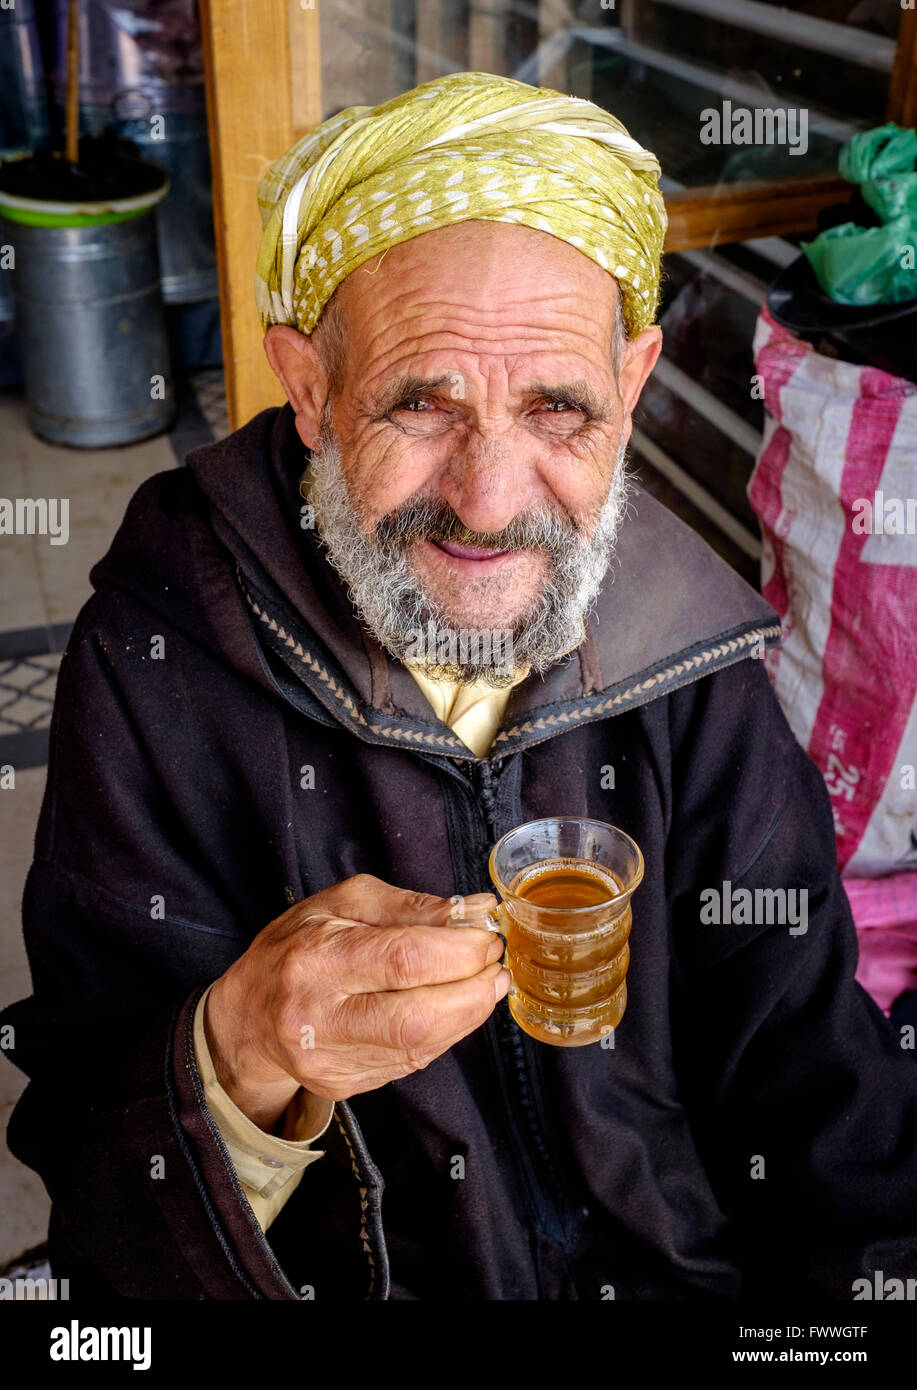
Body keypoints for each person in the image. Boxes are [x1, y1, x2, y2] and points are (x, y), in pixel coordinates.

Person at [3, 71, 917, 1302]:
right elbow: (97, 1181)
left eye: (557, 409)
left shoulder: (696, 664)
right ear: (312, 389)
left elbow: (820, 1096)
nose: (490, 501)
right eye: (421, 405)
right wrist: (240, 1049)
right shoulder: (155, 656)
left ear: (634, 383)